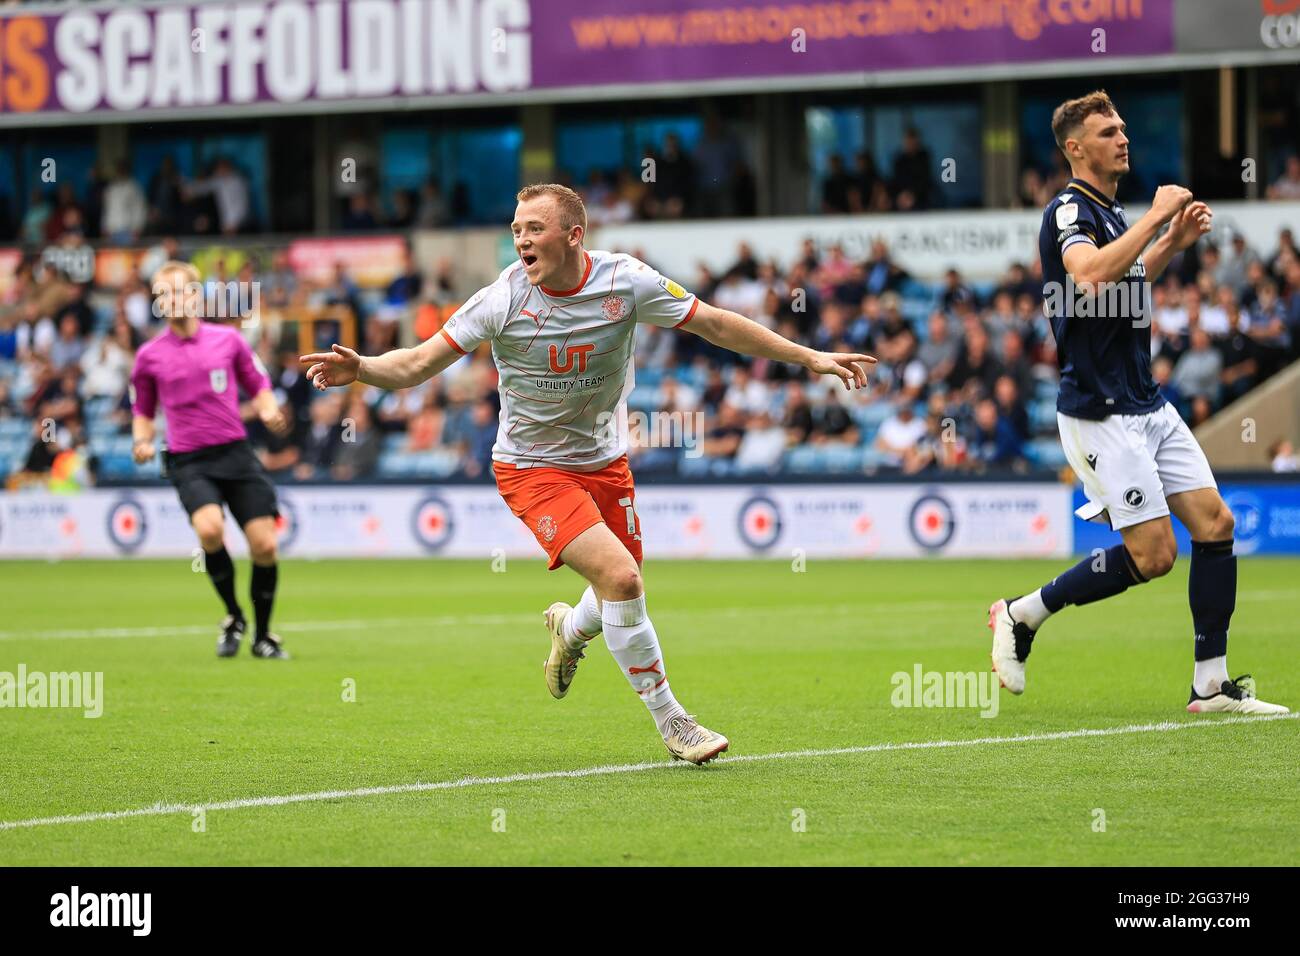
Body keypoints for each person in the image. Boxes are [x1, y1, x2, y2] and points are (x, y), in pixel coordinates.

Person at [302, 184, 876, 763]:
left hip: (605, 461)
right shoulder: (500, 301)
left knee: (617, 591)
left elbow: (717, 325)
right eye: (517, 229)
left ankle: (569, 631)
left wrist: (810, 357)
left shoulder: (625, 282)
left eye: (534, 228)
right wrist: (365, 369)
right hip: (531, 468)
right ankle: (675, 724)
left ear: (574, 235)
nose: (522, 240)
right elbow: (418, 363)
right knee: (623, 580)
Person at [987, 91, 1287, 715]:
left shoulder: (1113, 211)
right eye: (1107, 131)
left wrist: (1171, 241)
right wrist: (1156, 216)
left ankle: (1210, 684)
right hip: (1099, 412)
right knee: (1154, 557)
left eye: (1122, 127)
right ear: (1075, 148)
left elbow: (1125, 282)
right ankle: (1022, 614)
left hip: (1146, 401)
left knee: (1216, 525)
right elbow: (1091, 276)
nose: (1123, 138)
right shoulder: (1070, 210)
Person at [130, 261, 292, 659]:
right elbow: (142, 411)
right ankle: (234, 615)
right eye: (162, 295)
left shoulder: (228, 340)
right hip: (189, 459)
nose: (171, 300)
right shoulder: (149, 357)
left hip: (235, 453)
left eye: (178, 291)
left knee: (265, 545)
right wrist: (142, 442)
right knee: (209, 530)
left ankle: (263, 635)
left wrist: (269, 409)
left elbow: (258, 383)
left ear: (196, 295)